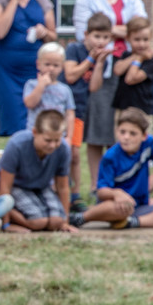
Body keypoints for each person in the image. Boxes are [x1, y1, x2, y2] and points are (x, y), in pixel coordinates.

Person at [72, 0, 146, 197]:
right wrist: (121, 30)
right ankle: (96, 185)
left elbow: (140, 28)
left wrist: (107, 29)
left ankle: (120, 182)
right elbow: (85, 33)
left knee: (123, 128)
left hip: (129, 70)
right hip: (100, 71)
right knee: (97, 130)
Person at [71, 107, 153, 230]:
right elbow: (101, 191)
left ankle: (132, 222)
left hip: (140, 205)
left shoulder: (149, 144)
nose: (126, 137)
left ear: (144, 136)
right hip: (115, 205)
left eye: (132, 133)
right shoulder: (111, 156)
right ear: (116, 131)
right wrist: (117, 194)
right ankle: (82, 218)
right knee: (121, 208)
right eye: (122, 132)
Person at [0, 0, 56, 136]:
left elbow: (53, 35)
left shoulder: (42, 0)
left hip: (34, 70)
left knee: (38, 122)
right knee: (15, 124)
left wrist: (44, 32)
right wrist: (14, 0)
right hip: (7, 71)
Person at [63, 12, 112, 209]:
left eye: (105, 37)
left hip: (79, 110)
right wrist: (91, 60)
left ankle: (75, 195)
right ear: (86, 35)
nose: (101, 41)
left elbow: (94, 87)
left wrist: (99, 63)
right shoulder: (74, 49)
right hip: (62, 109)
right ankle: (61, 188)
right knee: (63, 150)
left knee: (75, 153)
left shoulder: (103, 58)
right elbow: (71, 76)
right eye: (97, 36)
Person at [0, 109, 72, 233]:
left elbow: (63, 186)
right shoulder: (17, 144)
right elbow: (5, 186)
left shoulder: (63, 149)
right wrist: (6, 224)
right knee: (38, 222)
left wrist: (65, 222)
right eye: (48, 140)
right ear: (35, 132)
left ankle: (39, 214)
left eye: (57, 140)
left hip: (42, 186)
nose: (52, 145)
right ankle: (8, 214)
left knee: (56, 222)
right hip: (17, 185)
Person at [113, 17, 153, 117]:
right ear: (127, 38)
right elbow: (117, 70)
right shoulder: (126, 55)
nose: (141, 44)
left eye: (145, 39)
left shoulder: (152, 61)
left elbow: (130, 79)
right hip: (123, 108)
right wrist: (136, 57)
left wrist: (139, 59)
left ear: (151, 37)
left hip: (143, 110)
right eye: (137, 39)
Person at [23, 42, 75, 134]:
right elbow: (29, 104)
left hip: (58, 135)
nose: (51, 68)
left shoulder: (65, 89)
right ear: (38, 64)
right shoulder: (31, 84)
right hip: (35, 134)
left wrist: (69, 137)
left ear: (62, 67)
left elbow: (69, 114)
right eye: (47, 64)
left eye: (56, 65)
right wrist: (41, 85)